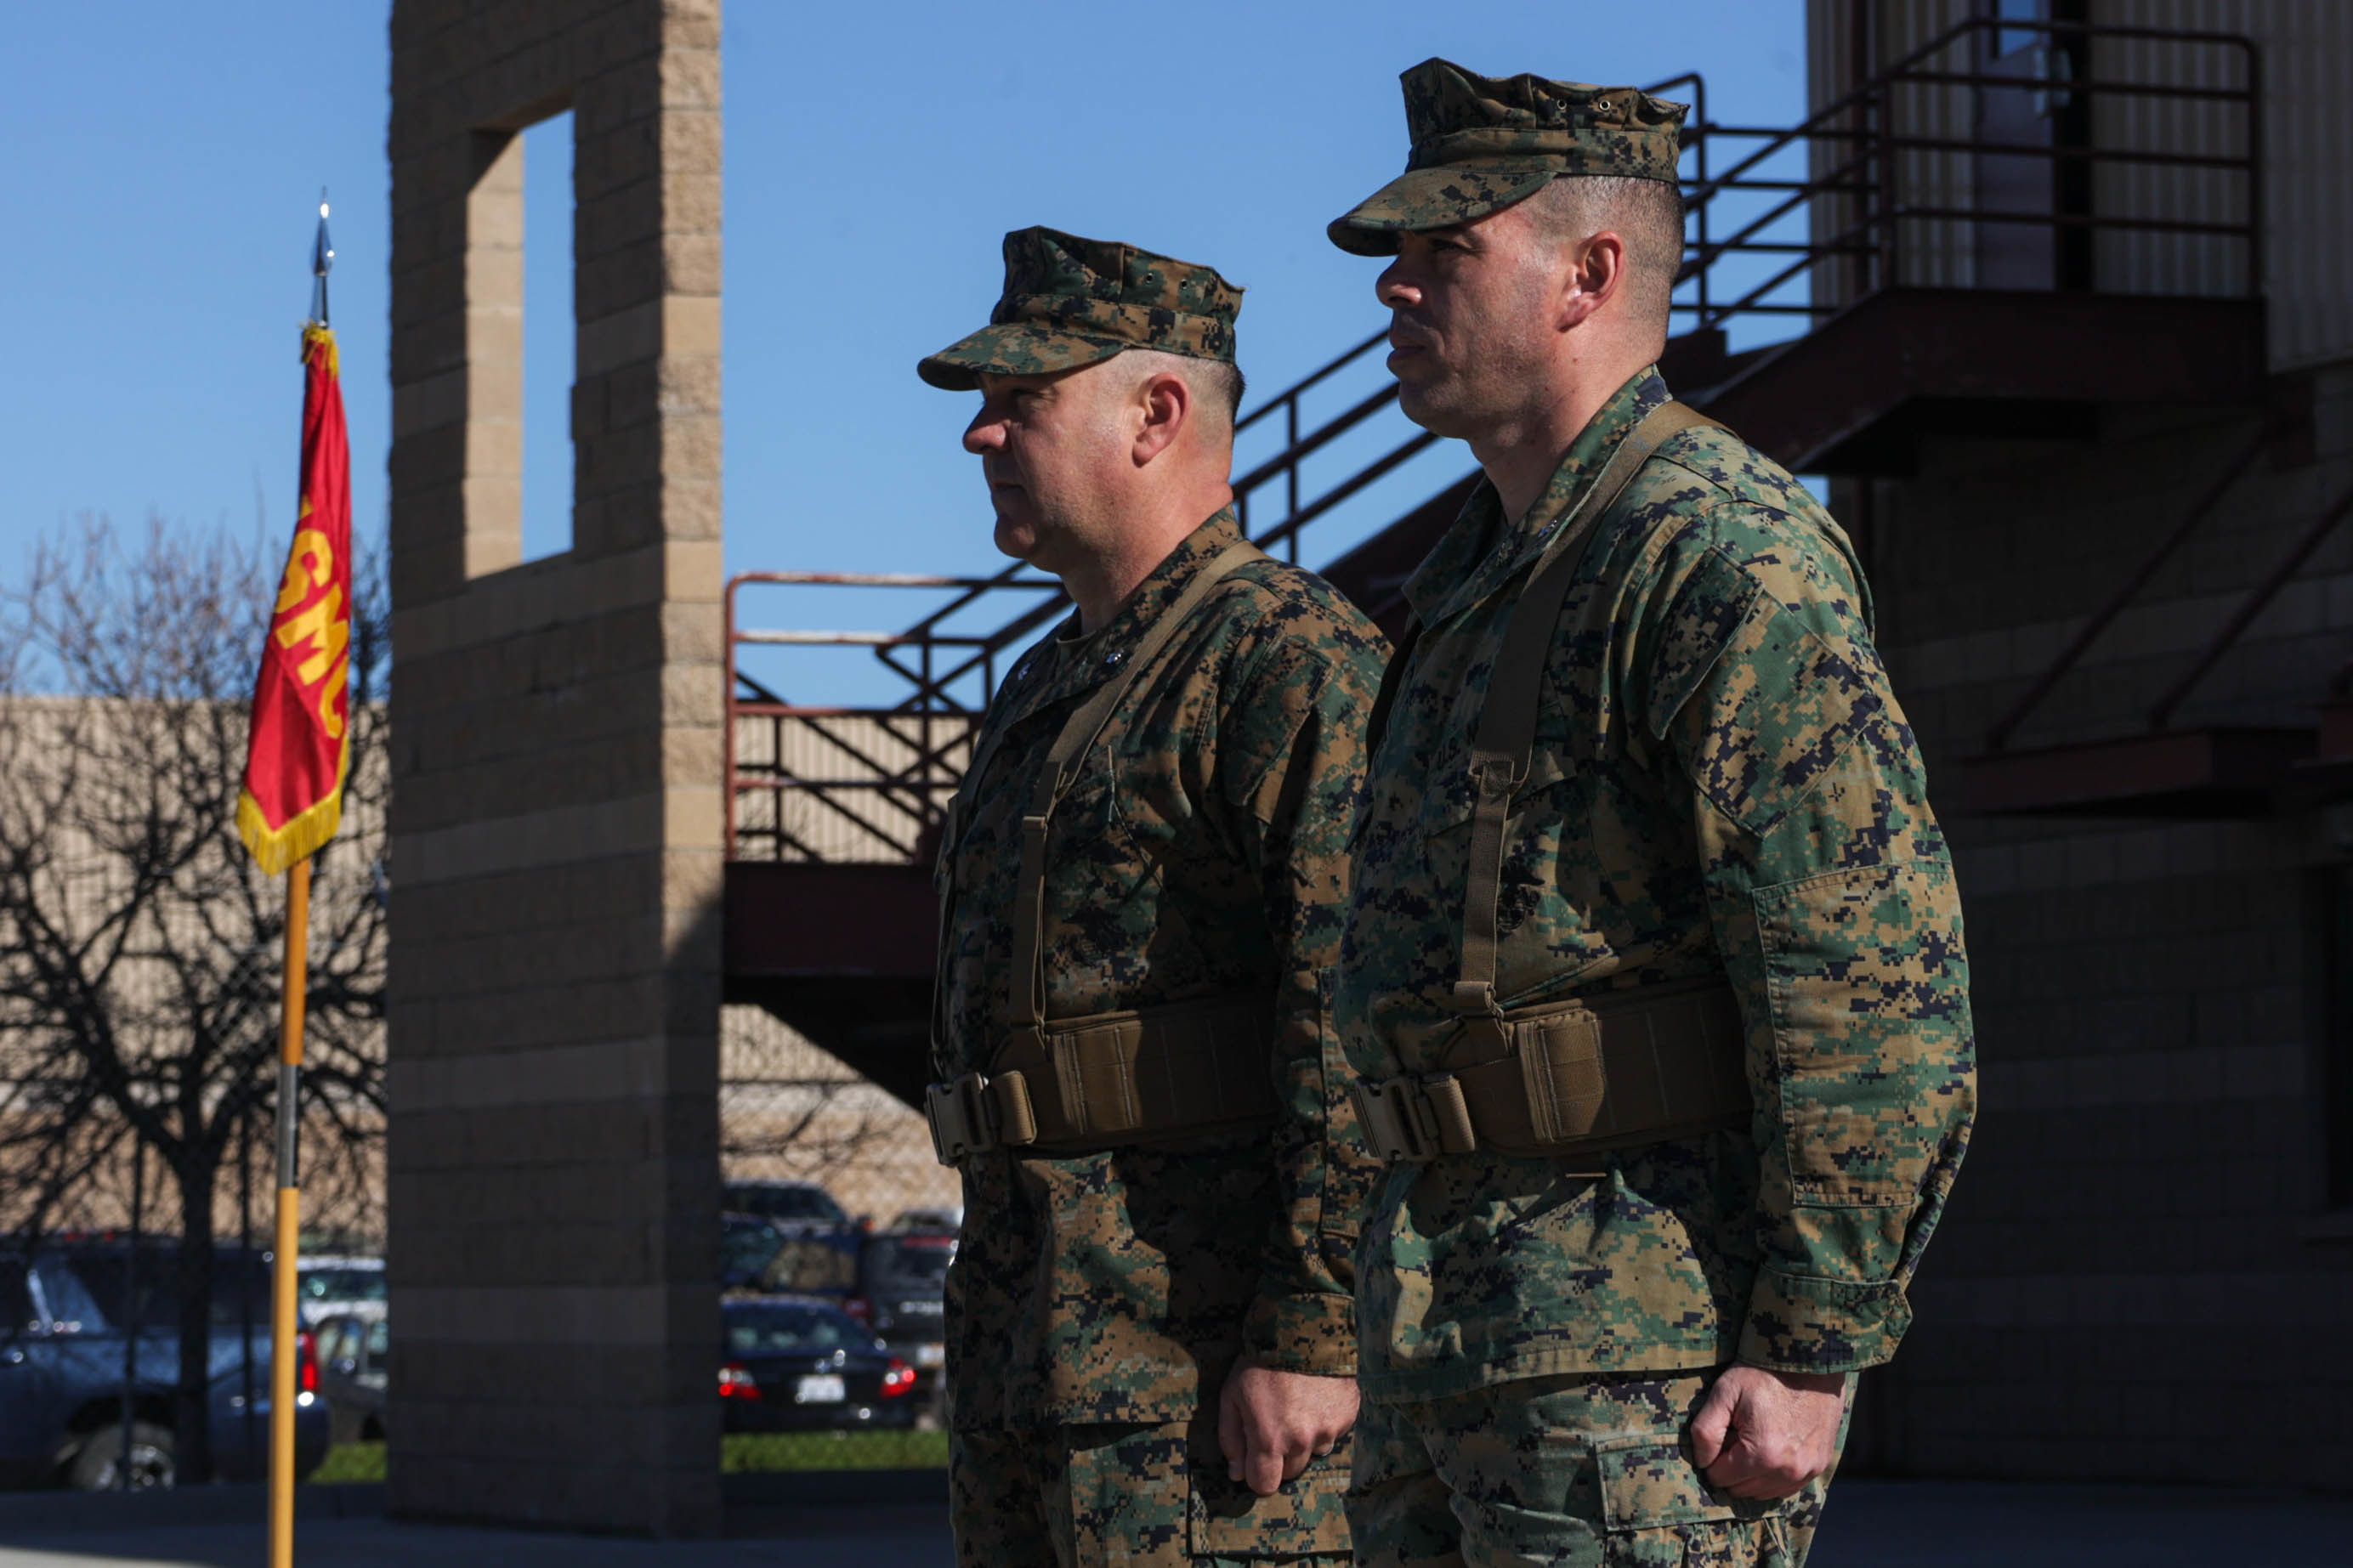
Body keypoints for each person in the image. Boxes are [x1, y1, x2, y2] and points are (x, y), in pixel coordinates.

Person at [1324, 60, 1977, 1567]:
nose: (1397, 295)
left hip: (1638, 1366)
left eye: (1445, 254)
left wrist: (1814, 1342)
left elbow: (1867, 974)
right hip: (1451, 1337)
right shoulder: (1481, 575)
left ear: (1588, 273)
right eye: (1396, 263)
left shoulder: (1717, 552)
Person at [918, 226, 1389, 1568]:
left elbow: (1347, 1011)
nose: (981, 436)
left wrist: (1309, 1329)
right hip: (1035, 1356)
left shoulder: (1289, 664)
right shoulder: (1048, 686)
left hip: (1197, 1385)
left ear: (1157, 413)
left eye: (1022, 401)